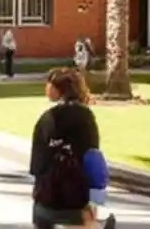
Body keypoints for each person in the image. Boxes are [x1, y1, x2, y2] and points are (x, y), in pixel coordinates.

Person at [30, 68, 100, 229]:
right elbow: (93, 159)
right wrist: (95, 200)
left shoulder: (48, 118)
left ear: (57, 89)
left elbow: (37, 163)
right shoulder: (85, 117)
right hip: (76, 197)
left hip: (46, 196)